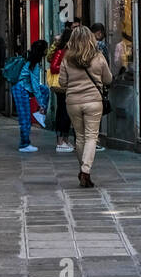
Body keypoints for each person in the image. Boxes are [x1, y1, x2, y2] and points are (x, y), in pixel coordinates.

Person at [57, 25, 112, 188]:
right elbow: (108, 79)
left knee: (79, 137)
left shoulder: (67, 58)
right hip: (93, 102)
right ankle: (85, 170)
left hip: (73, 102)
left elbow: (62, 82)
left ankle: (83, 169)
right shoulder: (99, 57)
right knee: (91, 136)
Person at [11, 40, 49, 153]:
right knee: (25, 117)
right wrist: (41, 104)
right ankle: (24, 144)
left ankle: (40, 113)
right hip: (21, 90)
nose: (47, 50)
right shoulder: (34, 64)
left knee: (45, 90)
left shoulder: (30, 60)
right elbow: (35, 85)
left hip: (23, 89)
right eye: (46, 48)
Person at [49, 25, 74, 153]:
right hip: (61, 85)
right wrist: (67, 69)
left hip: (69, 85)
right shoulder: (61, 51)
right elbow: (53, 67)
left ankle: (65, 139)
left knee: (68, 113)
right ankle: (60, 141)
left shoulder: (70, 51)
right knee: (62, 112)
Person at [90, 23, 110, 150]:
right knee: (96, 115)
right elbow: (106, 65)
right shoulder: (101, 45)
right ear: (99, 33)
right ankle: (94, 141)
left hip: (81, 89)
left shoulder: (82, 47)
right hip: (97, 85)